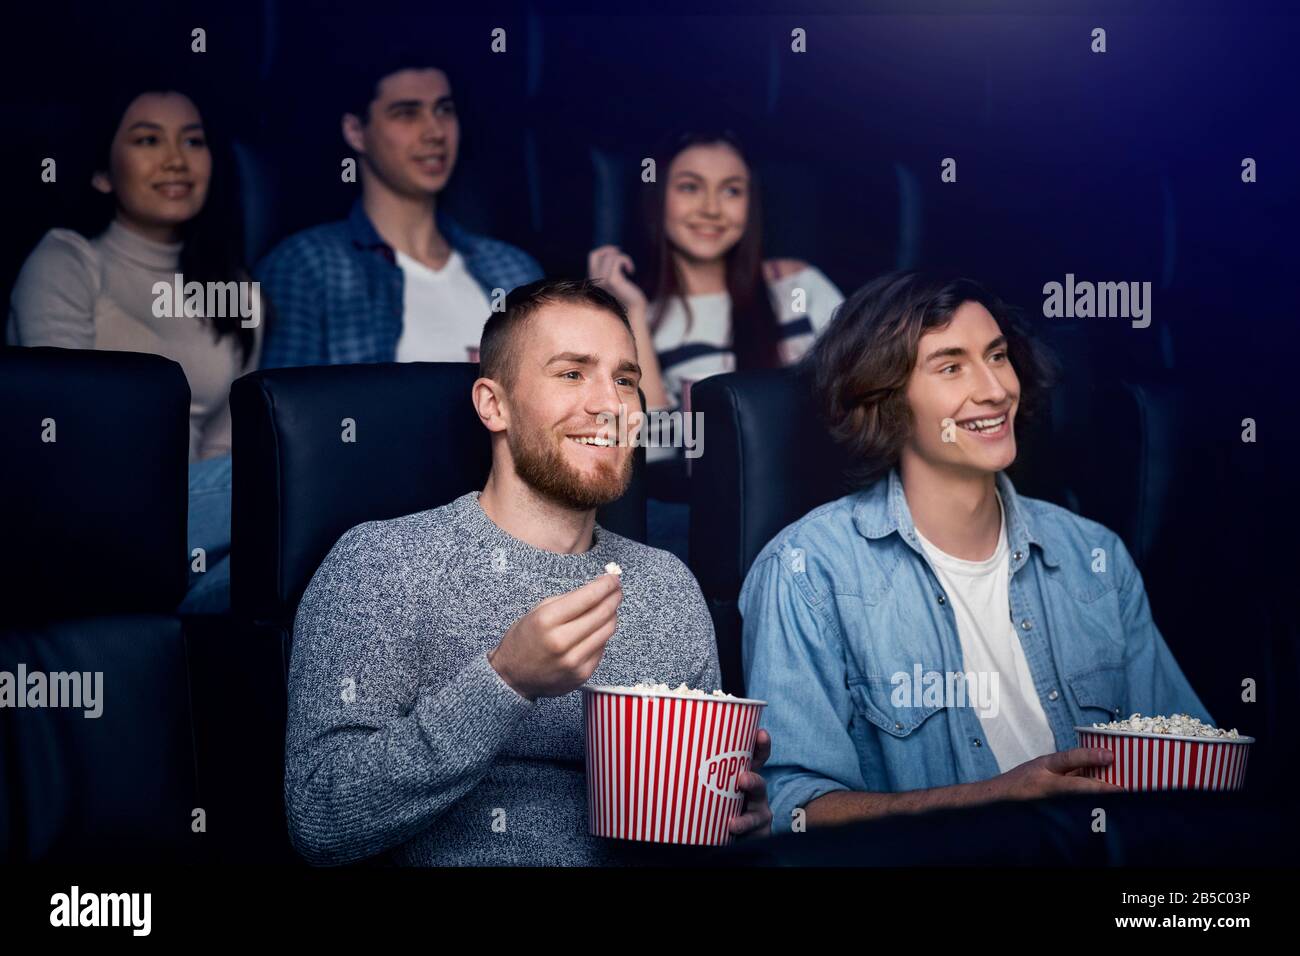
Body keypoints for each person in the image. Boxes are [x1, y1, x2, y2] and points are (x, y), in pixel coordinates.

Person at [284, 279, 772, 866]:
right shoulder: (384, 563)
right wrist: (504, 682)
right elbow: (320, 818)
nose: (610, 405)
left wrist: (733, 821)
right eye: (572, 374)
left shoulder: (666, 588)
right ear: (494, 404)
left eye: (625, 380)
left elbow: (688, 833)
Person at [740, 272, 1212, 831]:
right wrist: (990, 798)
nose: (994, 390)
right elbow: (792, 808)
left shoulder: (1093, 555)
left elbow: (1187, 757)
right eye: (951, 366)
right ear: (885, 396)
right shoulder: (806, 571)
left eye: (997, 356)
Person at [7, 80, 263, 614]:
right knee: (286, 482)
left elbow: (222, 447)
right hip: (86, 510)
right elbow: (66, 432)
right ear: (103, 172)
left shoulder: (237, 290)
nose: (176, 160)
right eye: (148, 141)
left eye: (193, 142)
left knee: (298, 560)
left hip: (192, 537)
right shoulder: (67, 261)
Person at [257, 54, 542, 368]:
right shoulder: (308, 267)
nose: (434, 132)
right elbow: (283, 411)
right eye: (407, 113)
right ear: (355, 131)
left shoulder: (513, 269)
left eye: (444, 110)